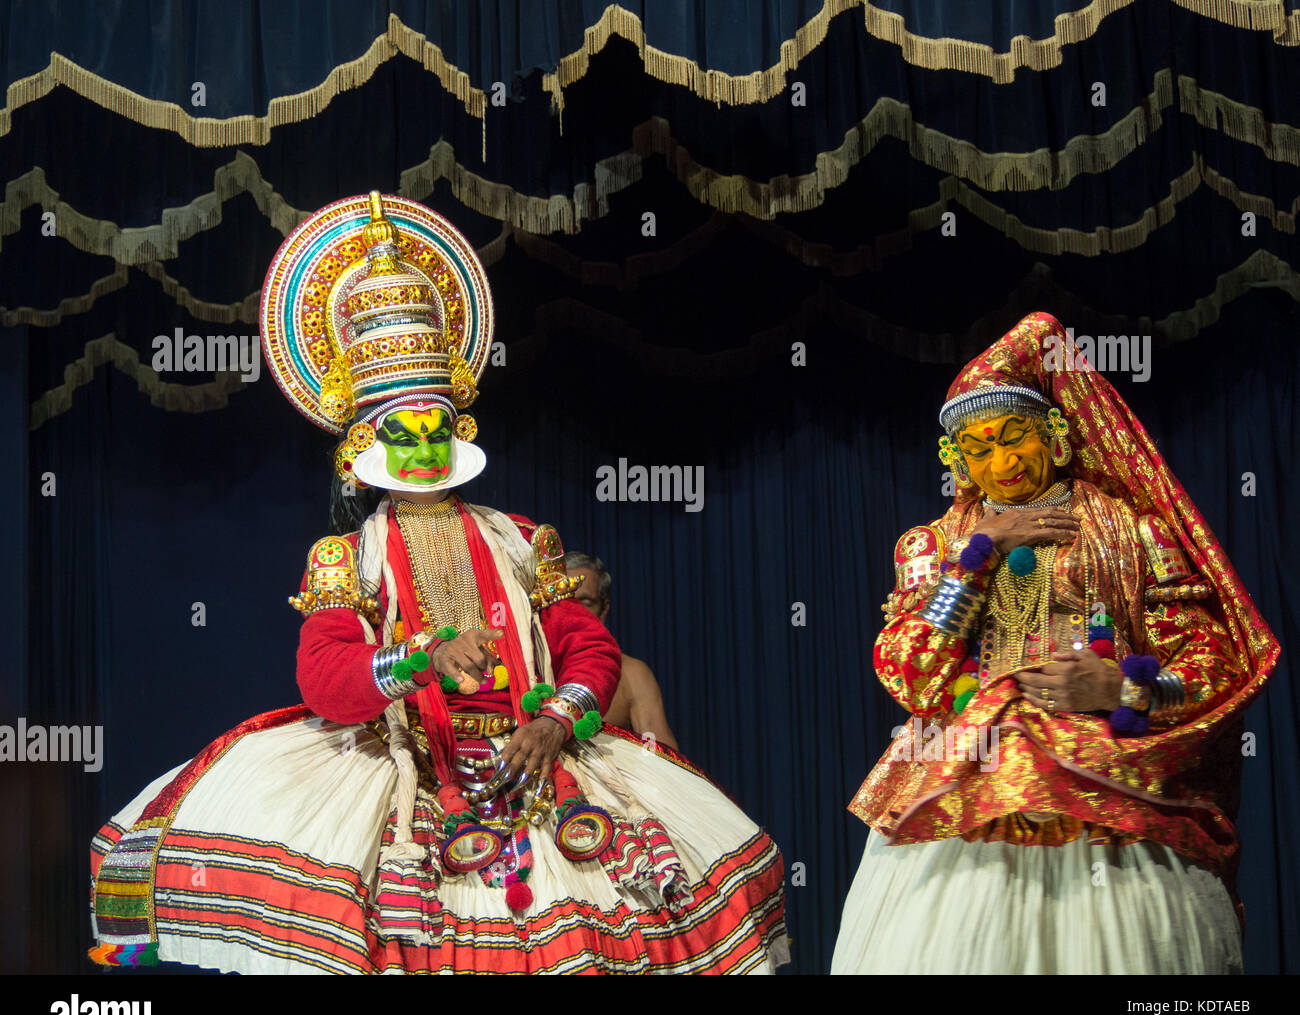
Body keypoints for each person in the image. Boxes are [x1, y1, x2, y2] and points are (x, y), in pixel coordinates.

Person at [88, 192, 788, 974]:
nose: (421, 445)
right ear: (363, 439)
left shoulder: (525, 541)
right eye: (401, 430)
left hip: (541, 765)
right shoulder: (344, 559)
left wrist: (556, 720)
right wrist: (418, 657)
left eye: (434, 426)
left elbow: (590, 649)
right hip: (412, 773)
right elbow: (324, 680)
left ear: (458, 427)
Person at [832, 311, 1277, 975]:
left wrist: (1126, 688)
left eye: (1016, 438)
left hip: (1111, 787)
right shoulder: (935, 547)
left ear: (1057, 435)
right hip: (965, 781)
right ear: (957, 461)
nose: (1002, 462)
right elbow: (913, 677)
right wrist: (978, 559)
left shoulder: (1127, 528)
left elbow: (1214, 661)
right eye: (978, 450)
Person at [565, 551, 680, 751]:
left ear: (604, 609)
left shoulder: (631, 674)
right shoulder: (527, 666)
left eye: (585, 603)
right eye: (565, 601)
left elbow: (659, 750)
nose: (574, 613)